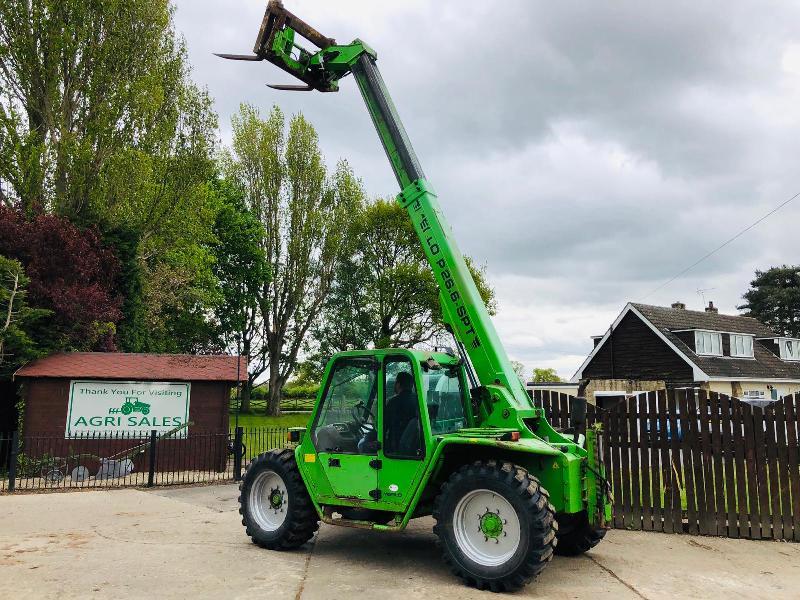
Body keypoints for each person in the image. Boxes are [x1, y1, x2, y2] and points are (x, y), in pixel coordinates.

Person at [385, 370, 420, 455]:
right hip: (414, 446)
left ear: (398, 384)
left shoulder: (393, 402)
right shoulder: (419, 401)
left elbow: (384, 426)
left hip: (395, 448)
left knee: (364, 445)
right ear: (411, 385)